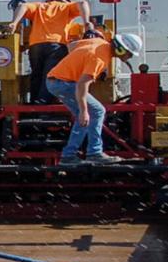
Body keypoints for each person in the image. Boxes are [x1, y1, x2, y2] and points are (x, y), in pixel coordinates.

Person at [45, 31, 142, 165]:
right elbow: (82, 84)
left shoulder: (98, 43)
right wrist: (84, 111)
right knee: (95, 111)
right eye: (129, 53)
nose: (129, 57)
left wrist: (79, 63)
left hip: (57, 82)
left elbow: (72, 46)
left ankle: (70, 155)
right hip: (64, 84)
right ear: (120, 49)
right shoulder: (100, 59)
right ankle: (93, 153)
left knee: (87, 115)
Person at [8, 0, 91, 104]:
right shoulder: (66, 7)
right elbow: (82, 3)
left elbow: (22, 6)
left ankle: (33, 102)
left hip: (35, 45)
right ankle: (42, 103)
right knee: (50, 76)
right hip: (56, 45)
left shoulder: (39, 7)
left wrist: (14, 22)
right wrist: (86, 22)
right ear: (65, 0)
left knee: (36, 74)